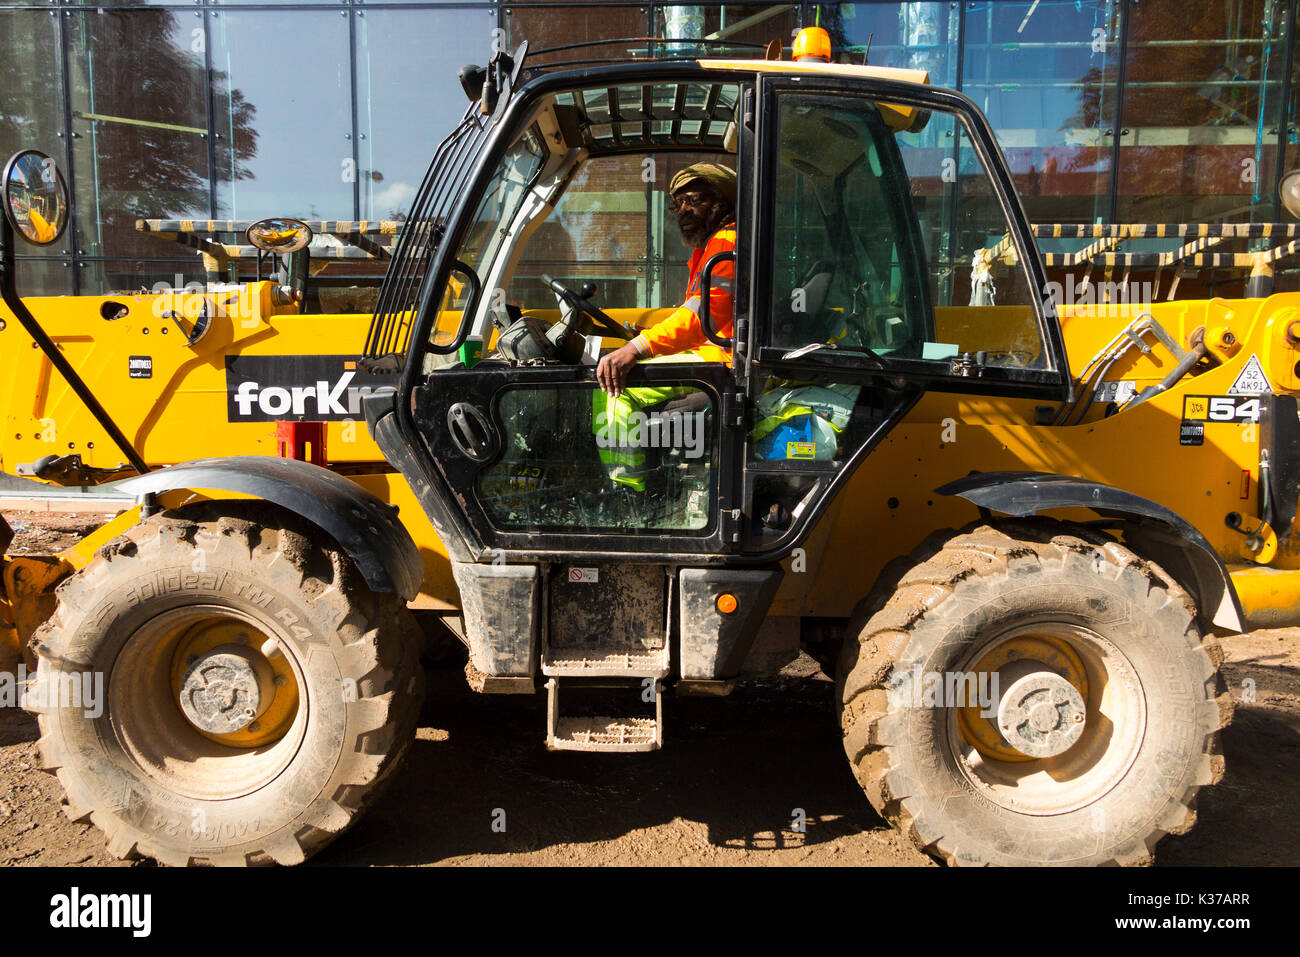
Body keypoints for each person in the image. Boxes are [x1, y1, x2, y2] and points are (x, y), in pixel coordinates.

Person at [595, 162, 737, 398]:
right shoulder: (708, 250)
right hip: (713, 356)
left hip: (725, 362)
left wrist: (640, 347)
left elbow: (705, 316)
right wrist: (649, 334)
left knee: (613, 383)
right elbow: (697, 314)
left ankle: (616, 437)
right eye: (678, 204)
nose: (682, 210)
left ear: (720, 203)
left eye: (693, 201)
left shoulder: (726, 241)